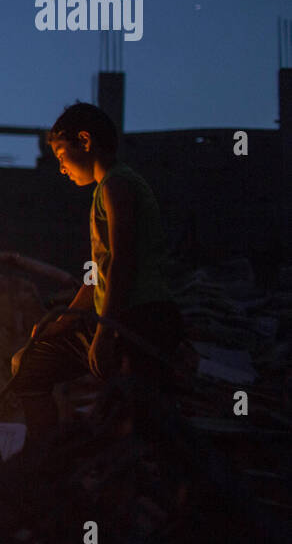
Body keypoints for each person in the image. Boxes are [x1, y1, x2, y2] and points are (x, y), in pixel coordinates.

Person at [10, 102, 181, 449]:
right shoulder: (104, 190)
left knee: (138, 426)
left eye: (61, 155)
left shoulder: (119, 185)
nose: (60, 168)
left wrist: (104, 332)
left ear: (84, 141)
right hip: (115, 319)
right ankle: (44, 463)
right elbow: (99, 273)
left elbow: (122, 262)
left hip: (139, 321)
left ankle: (139, 485)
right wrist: (62, 322)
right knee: (27, 363)